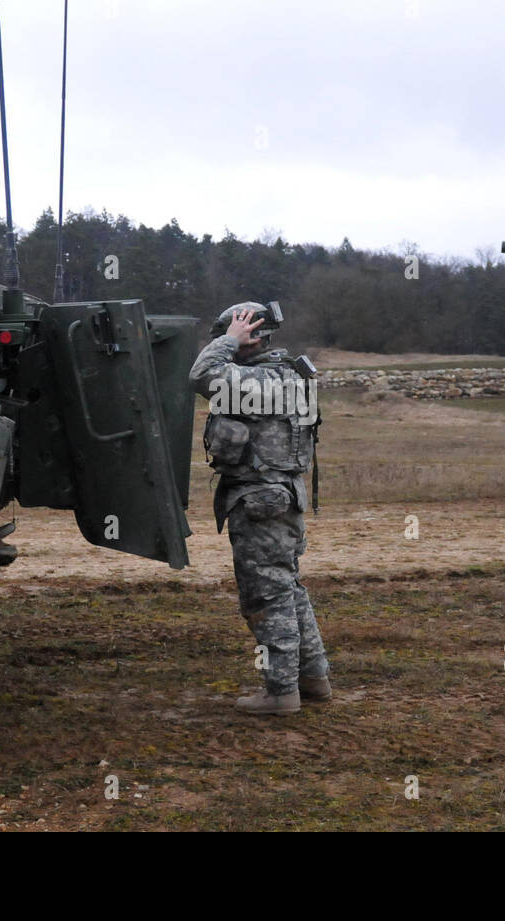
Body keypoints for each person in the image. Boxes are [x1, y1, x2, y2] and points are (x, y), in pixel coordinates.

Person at [189, 302, 330, 715]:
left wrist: (227, 341)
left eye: (231, 335)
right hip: (282, 499)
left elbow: (200, 375)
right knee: (288, 590)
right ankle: (313, 678)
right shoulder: (289, 375)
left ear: (250, 336)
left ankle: (280, 692)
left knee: (266, 598)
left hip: (261, 502)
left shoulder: (254, 380)